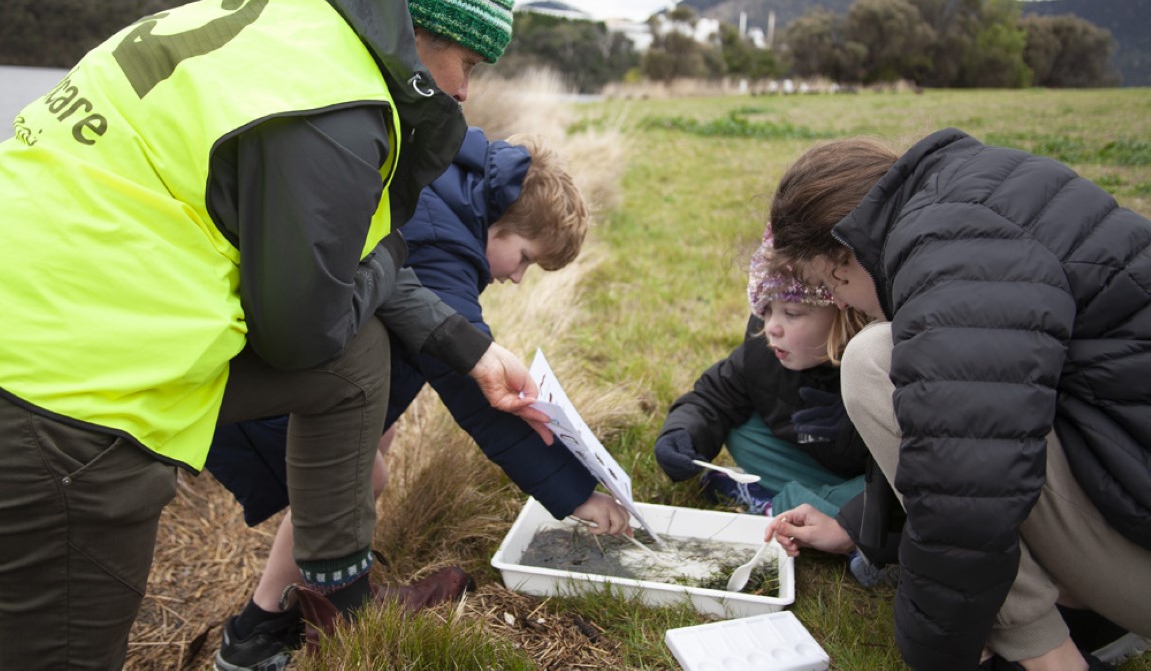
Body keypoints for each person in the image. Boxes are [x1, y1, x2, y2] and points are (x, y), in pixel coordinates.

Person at [0, 0, 557, 669]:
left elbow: (336, 276)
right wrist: (393, 253)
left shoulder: (274, 26)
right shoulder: (334, 104)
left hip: (52, 310)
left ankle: (329, 602)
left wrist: (468, 348)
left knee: (359, 357)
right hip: (58, 391)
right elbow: (302, 330)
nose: (463, 92)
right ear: (417, 33)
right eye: (469, 62)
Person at [206, 127, 631, 670]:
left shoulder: (447, 183)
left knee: (367, 463)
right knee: (361, 477)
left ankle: (305, 605)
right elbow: (474, 391)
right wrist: (576, 494)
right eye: (524, 258)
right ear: (501, 222)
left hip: (313, 374)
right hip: (283, 393)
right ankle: (265, 629)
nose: (519, 278)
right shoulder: (443, 246)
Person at [764, 129, 1151, 671]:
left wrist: (943, 650)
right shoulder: (972, 192)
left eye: (828, 289)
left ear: (841, 259)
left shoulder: (951, 250)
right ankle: (1082, 606)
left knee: (876, 359)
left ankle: (1051, 660)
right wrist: (859, 527)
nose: (842, 302)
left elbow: (966, 488)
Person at [653, 226, 872, 525]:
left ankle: (782, 507)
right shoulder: (762, 352)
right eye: (766, 311)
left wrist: (854, 431)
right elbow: (713, 397)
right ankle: (816, 507)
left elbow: (909, 457)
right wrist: (682, 433)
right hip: (808, 462)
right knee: (740, 427)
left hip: (866, 481)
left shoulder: (876, 364)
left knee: (884, 498)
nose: (772, 327)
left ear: (845, 314)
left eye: (792, 313)